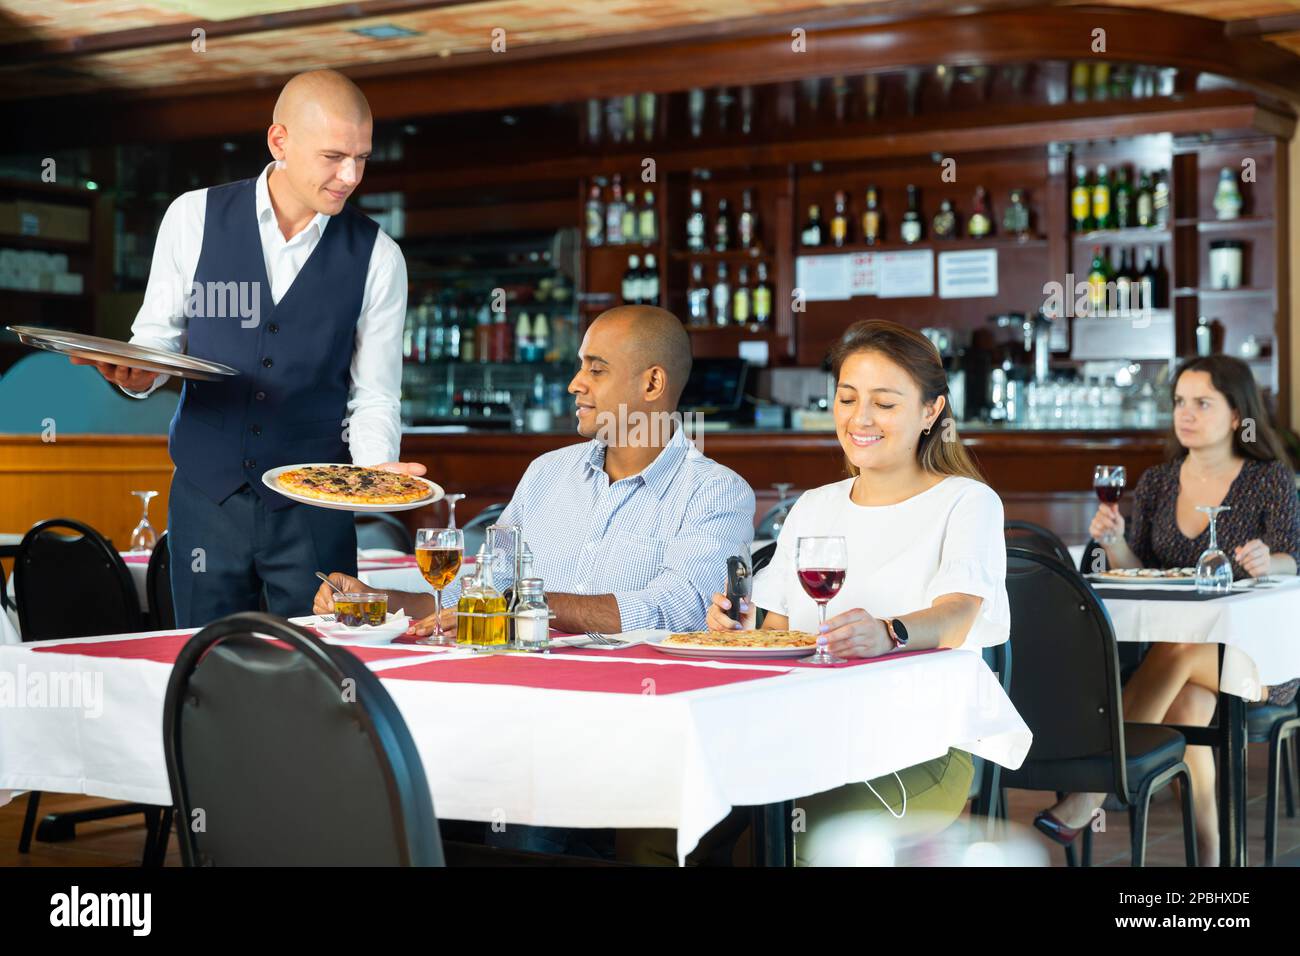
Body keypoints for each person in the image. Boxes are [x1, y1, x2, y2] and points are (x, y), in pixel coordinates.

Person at [315, 304, 754, 860]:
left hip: (616, 728)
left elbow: (678, 610)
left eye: (596, 369)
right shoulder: (546, 474)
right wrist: (375, 600)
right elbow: (469, 599)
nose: (575, 384)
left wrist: (528, 607)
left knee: (532, 787)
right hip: (504, 710)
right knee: (377, 767)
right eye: (581, 367)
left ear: (652, 383)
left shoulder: (715, 492)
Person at [621, 319, 1010, 866]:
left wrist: (890, 633)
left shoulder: (967, 502)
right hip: (797, 733)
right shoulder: (816, 505)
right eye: (847, 398)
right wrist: (739, 626)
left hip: (917, 742)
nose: (860, 418)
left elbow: (957, 616)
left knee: (795, 847)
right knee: (653, 831)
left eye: (885, 403)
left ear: (931, 412)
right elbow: (778, 631)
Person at [72, 69, 423, 625]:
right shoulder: (193, 217)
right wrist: (138, 377)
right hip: (206, 497)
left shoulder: (379, 256)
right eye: (334, 156)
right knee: (208, 668)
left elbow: (375, 396)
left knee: (321, 675)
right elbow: (156, 342)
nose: (351, 175)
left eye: (362, 157)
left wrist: (375, 474)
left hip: (316, 509)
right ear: (279, 141)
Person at [1037, 355, 1300, 865]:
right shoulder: (1159, 480)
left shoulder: (1269, 479)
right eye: (1180, 402)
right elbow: (1141, 567)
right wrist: (1113, 544)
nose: (1187, 413)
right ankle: (1214, 857)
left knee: (1180, 648)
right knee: (1189, 709)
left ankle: (1094, 787)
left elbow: (1295, 558)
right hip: (1178, 666)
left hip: (1259, 657)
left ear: (1236, 413)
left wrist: (1273, 559)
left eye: (1203, 403)